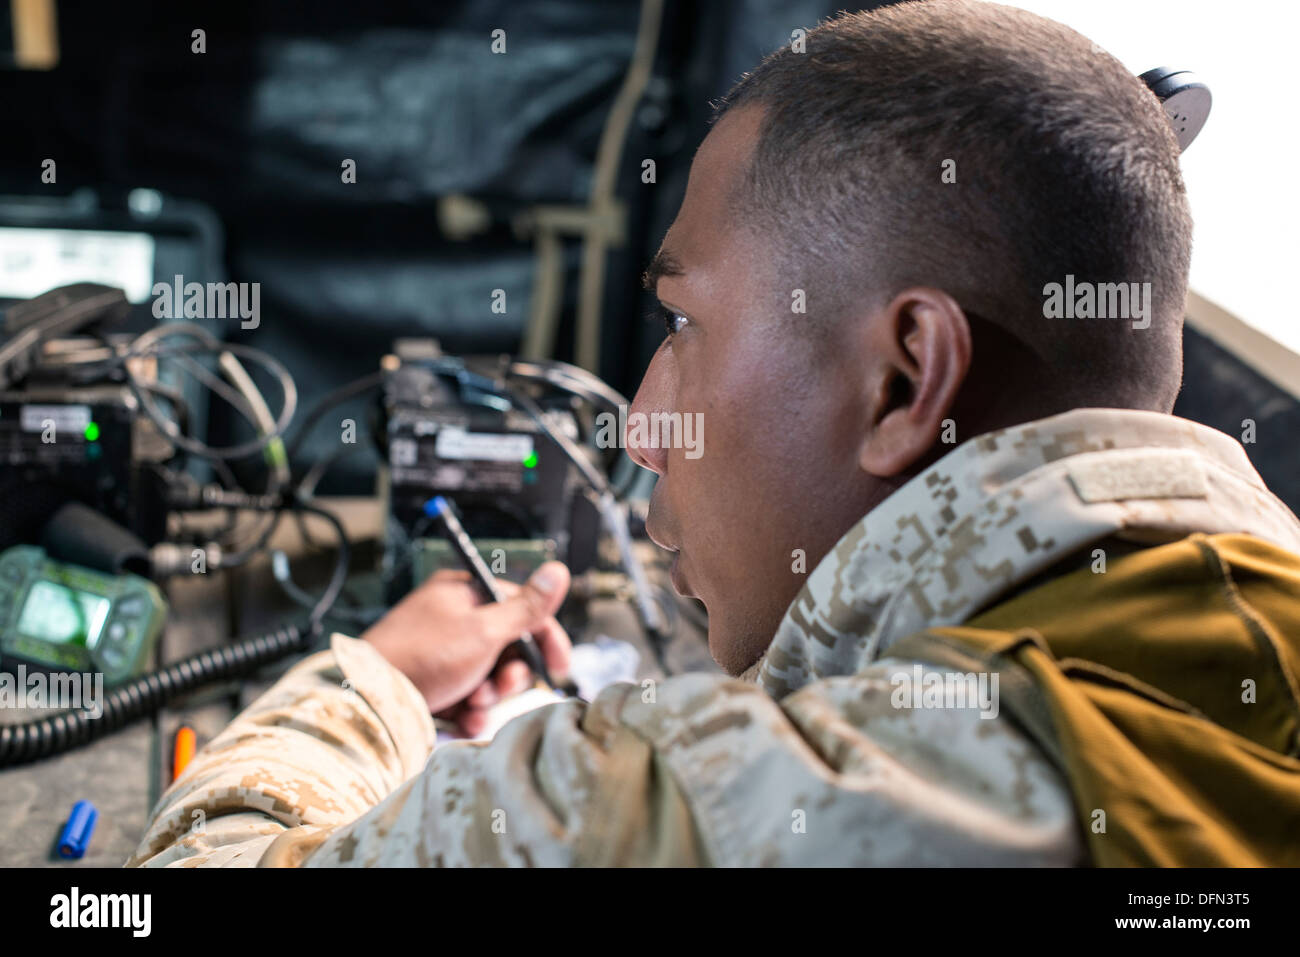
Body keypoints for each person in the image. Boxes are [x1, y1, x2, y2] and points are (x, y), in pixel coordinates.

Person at [127, 0, 1300, 867]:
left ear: (904, 380)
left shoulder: (723, 807)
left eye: (683, 322)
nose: (640, 425)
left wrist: (369, 682)